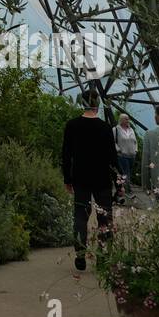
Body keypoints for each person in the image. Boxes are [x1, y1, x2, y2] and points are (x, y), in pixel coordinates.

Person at [61, 88, 118, 271]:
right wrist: (118, 183)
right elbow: (112, 158)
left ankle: (80, 255)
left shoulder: (72, 125)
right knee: (104, 218)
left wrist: (67, 179)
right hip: (102, 178)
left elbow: (66, 154)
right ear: (98, 105)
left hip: (80, 177)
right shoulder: (105, 128)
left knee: (80, 216)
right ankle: (103, 256)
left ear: (81, 102)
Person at [113, 113, 138, 199]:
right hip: (122, 155)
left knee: (126, 174)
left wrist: (136, 150)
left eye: (128, 119)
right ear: (121, 120)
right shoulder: (116, 129)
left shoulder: (131, 130)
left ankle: (120, 191)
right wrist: (118, 149)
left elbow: (135, 141)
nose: (128, 120)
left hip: (132, 155)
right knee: (125, 173)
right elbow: (113, 142)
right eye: (126, 119)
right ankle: (128, 191)